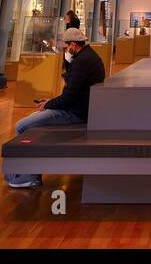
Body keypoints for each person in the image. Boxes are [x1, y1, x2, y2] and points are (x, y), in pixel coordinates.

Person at [7, 28, 105, 188]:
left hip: (75, 112)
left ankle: (25, 176)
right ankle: (28, 173)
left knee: (22, 125)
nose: (65, 51)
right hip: (78, 107)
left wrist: (48, 104)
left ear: (73, 44)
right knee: (32, 118)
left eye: (66, 47)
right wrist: (51, 102)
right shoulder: (87, 57)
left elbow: (68, 98)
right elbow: (71, 91)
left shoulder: (82, 62)